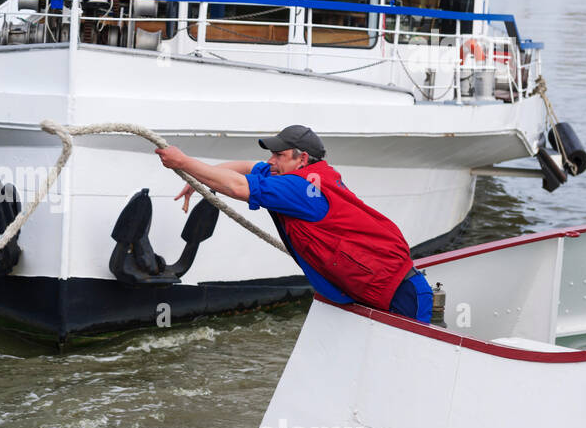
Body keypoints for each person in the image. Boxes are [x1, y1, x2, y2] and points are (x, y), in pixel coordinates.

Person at [156, 124, 433, 323]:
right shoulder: (310, 174)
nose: (271, 161)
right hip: (383, 289)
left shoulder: (302, 188)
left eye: (279, 155)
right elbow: (246, 167)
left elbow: (239, 187)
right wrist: (200, 180)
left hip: (401, 295)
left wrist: (183, 162)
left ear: (302, 159)